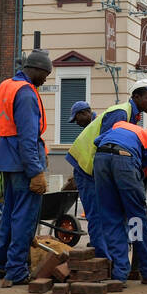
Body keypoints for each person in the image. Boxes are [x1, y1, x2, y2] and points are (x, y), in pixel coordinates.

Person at [66, 81, 147, 262]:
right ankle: (104, 260)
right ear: (136, 97)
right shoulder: (121, 112)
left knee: (114, 214)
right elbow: (106, 145)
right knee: (98, 214)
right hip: (88, 166)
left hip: (100, 167)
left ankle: (117, 260)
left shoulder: (133, 117)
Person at [0, 49, 52, 286]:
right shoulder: (26, 93)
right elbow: (27, 136)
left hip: (7, 159)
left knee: (8, 217)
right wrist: (35, 171)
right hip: (24, 162)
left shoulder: (7, 85)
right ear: (35, 69)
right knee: (24, 219)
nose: (45, 80)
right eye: (45, 75)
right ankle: (16, 270)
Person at [92, 119, 147, 284]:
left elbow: (97, 141)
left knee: (111, 218)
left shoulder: (121, 125)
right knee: (136, 219)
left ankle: (120, 274)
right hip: (125, 161)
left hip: (100, 158)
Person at [63, 101, 107, 257]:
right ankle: (105, 243)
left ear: (85, 113)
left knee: (94, 214)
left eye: (77, 119)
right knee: (105, 213)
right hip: (92, 174)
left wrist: (78, 176)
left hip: (90, 177)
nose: (76, 123)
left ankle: (100, 250)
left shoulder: (95, 126)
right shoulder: (95, 125)